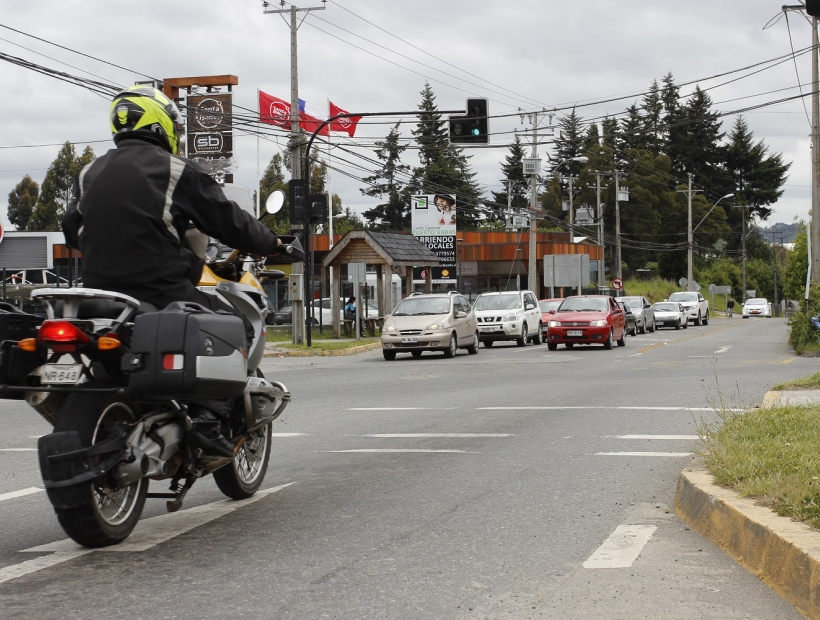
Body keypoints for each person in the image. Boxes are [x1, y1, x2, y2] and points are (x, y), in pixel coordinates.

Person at [62, 85, 286, 458]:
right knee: (235, 327)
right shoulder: (174, 170)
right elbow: (227, 220)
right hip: (159, 291)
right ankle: (209, 419)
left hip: (99, 298)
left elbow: (73, 230)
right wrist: (271, 243)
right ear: (160, 123)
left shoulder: (89, 172)